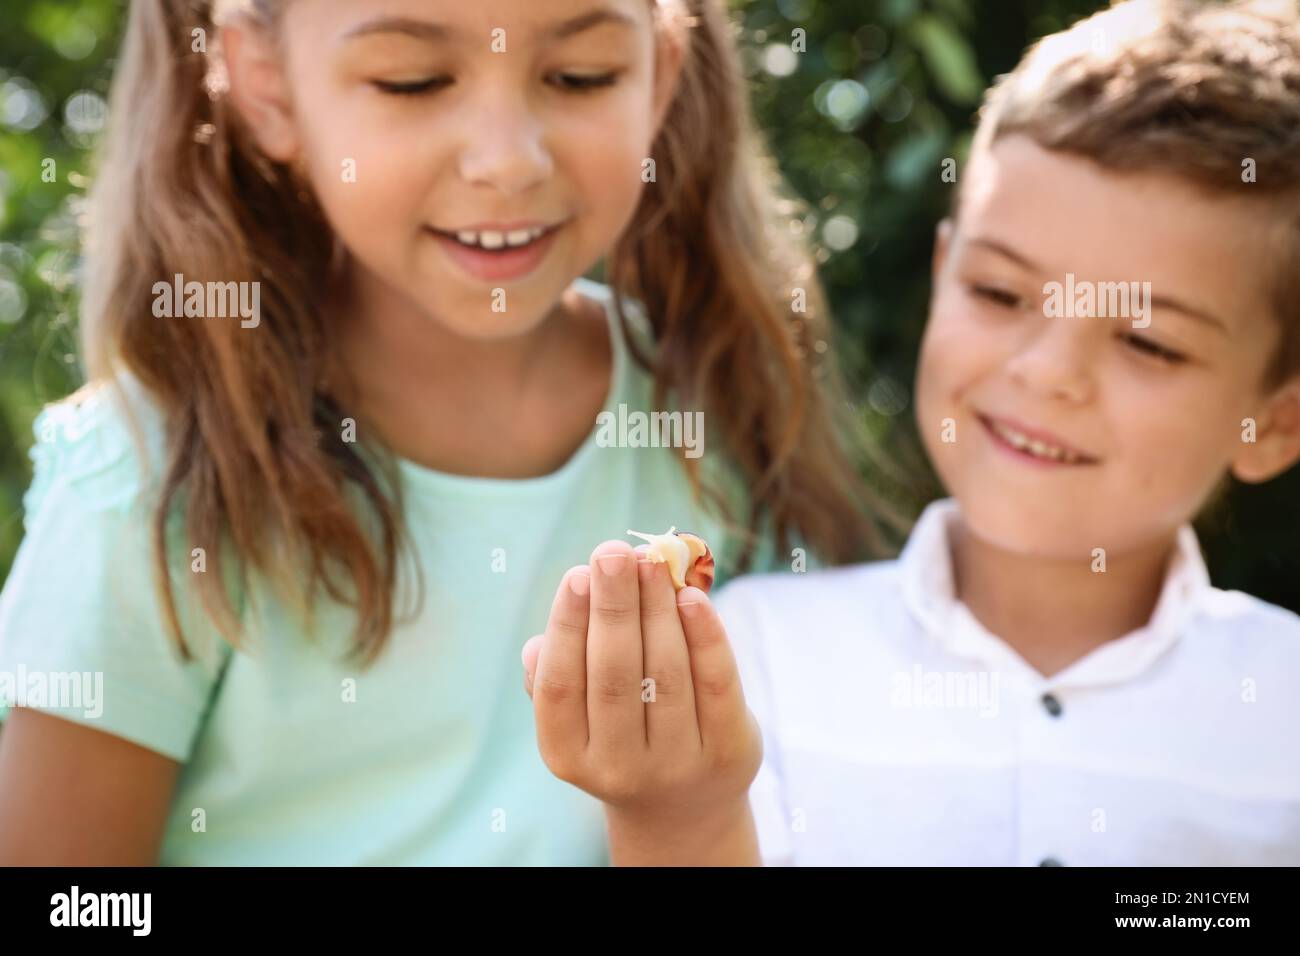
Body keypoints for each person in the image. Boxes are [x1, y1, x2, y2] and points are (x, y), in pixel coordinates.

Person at [0, 0, 883, 865]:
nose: (507, 161)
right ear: (265, 86)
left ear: (661, 75)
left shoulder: (721, 415)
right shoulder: (149, 482)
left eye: (581, 75)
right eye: (412, 81)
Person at [524, 0, 1300, 865]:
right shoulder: (754, 659)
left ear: (1274, 422)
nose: (1045, 372)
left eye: (1146, 341)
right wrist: (677, 815)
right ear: (943, 273)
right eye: (1001, 294)